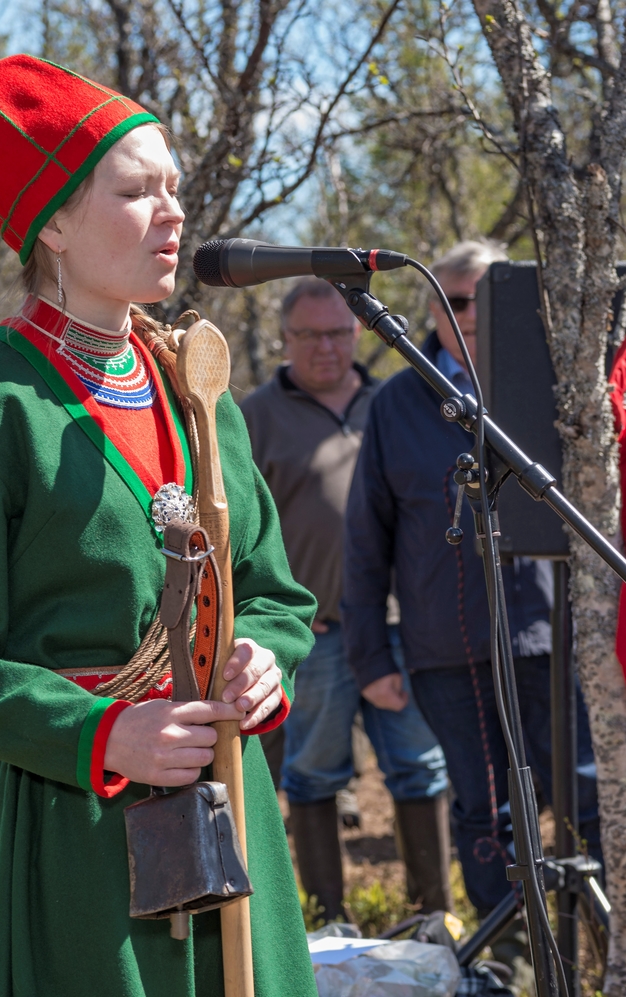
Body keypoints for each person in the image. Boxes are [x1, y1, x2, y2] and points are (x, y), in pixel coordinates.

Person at [0, 54, 317, 996]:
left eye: (174, 187)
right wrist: (105, 732)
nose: (173, 213)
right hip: (76, 841)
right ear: (56, 225)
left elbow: (277, 593)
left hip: (232, 809)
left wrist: (264, 656)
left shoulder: (201, 394)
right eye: (135, 190)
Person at [342, 240, 601, 924]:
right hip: (445, 648)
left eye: (486, 300)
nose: (472, 315)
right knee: (483, 807)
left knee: (580, 791)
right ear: (431, 307)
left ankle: (596, 935)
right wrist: (370, 655)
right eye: (458, 301)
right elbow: (366, 538)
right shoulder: (398, 399)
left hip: (550, 639)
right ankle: (511, 942)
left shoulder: (554, 382)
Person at [240, 277, 451, 923]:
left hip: (398, 626)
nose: (325, 347)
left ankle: (433, 916)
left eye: (337, 331)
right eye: (309, 334)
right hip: (315, 631)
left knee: (420, 767)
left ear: (358, 331)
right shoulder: (254, 416)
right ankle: (329, 917)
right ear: (285, 338)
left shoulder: (396, 402)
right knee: (312, 771)